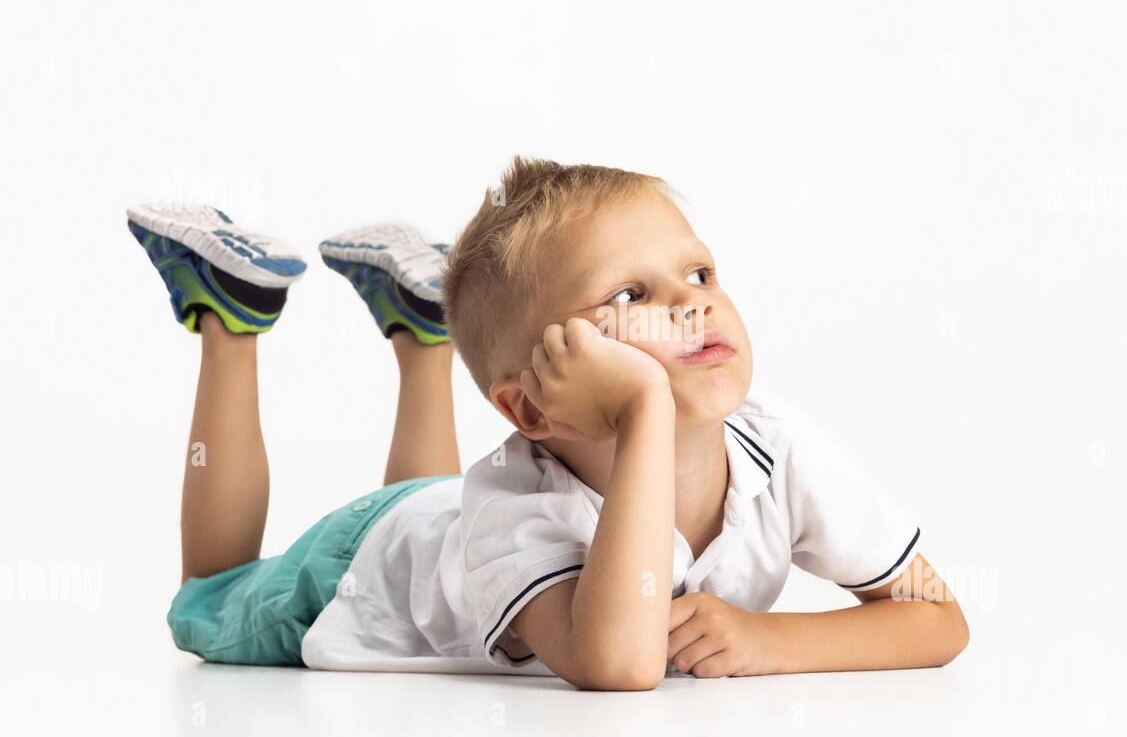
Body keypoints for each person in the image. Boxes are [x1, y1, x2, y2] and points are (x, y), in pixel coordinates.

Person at [132, 156, 968, 690]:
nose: (692, 299)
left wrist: (770, 640)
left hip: (443, 516)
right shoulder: (516, 501)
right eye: (631, 295)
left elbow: (939, 616)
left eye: (698, 269)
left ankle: (428, 327)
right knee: (204, 600)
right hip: (365, 560)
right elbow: (618, 662)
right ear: (532, 406)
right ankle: (229, 316)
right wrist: (644, 409)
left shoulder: (778, 448)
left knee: (436, 500)